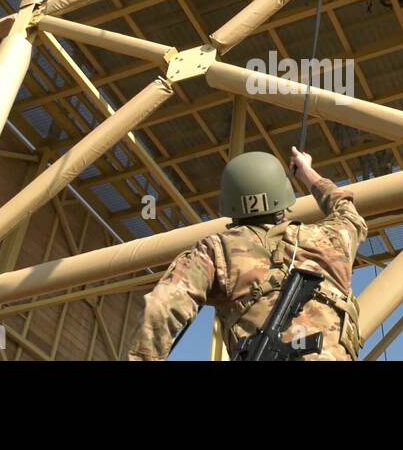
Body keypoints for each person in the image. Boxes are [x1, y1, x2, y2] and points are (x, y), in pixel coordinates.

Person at [128, 147, 367, 361]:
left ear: (230, 206)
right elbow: (347, 210)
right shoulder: (331, 238)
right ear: (283, 197)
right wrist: (306, 172)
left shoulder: (216, 250)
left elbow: (160, 307)